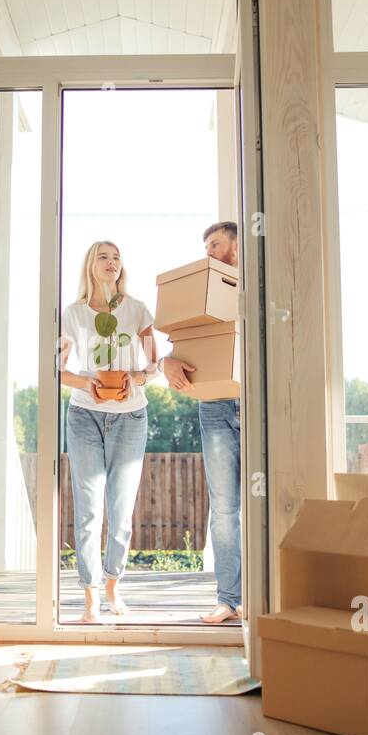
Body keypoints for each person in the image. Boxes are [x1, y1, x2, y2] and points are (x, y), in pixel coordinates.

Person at [60, 241, 158, 624]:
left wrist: (137, 377)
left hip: (131, 418)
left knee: (120, 511)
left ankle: (114, 586)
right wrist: (86, 385)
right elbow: (60, 368)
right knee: (88, 512)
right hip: (84, 416)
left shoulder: (137, 310)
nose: (112, 263)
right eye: (104, 256)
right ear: (90, 265)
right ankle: (89, 597)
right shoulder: (73, 314)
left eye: (116, 257)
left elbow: (155, 365)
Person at [160, 221, 242, 624]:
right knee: (226, 508)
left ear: (237, 247)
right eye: (206, 245)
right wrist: (166, 362)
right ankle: (230, 599)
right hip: (214, 406)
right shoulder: (200, 294)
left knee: (268, 503)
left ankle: (269, 594)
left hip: (259, 404)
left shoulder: (263, 287)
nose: (208, 251)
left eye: (215, 244)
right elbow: (175, 342)